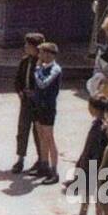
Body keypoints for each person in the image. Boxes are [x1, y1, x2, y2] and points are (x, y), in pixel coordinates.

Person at [64, 96, 107, 215]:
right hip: (89, 161)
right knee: (86, 190)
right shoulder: (97, 123)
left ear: (94, 108)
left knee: (98, 192)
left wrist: (90, 162)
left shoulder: (102, 126)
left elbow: (97, 148)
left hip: (96, 162)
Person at [28, 42, 62, 184]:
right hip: (38, 106)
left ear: (49, 54)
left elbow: (43, 83)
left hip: (48, 107)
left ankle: (54, 172)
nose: (39, 55)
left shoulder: (55, 69)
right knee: (40, 135)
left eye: (41, 52)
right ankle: (43, 166)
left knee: (49, 138)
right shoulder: (42, 67)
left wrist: (37, 70)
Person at [10, 33, 44, 174]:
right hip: (26, 102)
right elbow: (18, 80)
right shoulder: (25, 62)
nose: (25, 47)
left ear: (36, 48)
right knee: (22, 130)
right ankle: (20, 159)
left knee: (38, 132)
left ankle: (41, 160)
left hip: (38, 104)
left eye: (28, 46)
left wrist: (36, 94)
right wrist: (20, 92)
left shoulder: (43, 64)